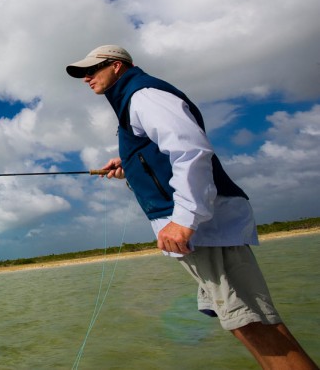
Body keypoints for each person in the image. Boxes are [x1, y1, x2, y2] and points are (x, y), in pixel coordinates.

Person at [66, 45, 317, 370]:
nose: (86, 77)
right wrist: (129, 164)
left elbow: (190, 149)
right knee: (244, 324)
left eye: (92, 69)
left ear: (117, 66)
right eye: (83, 73)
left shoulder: (143, 96)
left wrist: (184, 219)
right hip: (201, 231)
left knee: (255, 324)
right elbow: (163, 154)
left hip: (203, 229)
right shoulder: (132, 101)